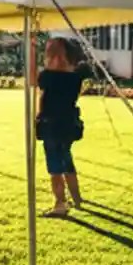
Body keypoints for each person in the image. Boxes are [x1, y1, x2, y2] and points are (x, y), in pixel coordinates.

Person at [37, 36, 88, 218]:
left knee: (55, 167)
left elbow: (35, 79)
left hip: (53, 125)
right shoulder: (75, 77)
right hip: (68, 125)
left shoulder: (48, 77)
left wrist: (32, 46)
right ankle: (77, 199)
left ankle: (60, 204)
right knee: (66, 162)